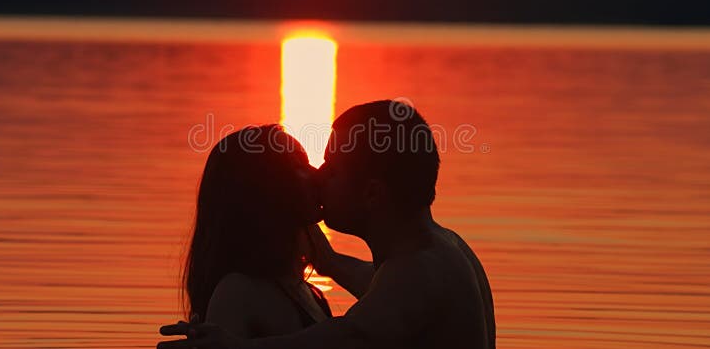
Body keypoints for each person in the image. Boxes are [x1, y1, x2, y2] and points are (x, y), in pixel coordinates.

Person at [159, 100, 496, 349]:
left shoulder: (418, 270)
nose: (319, 176)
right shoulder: (445, 248)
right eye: (304, 166)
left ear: (372, 194)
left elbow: (351, 336)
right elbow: (384, 291)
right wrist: (330, 262)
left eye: (331, 169)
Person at [177, 125, 332, 339]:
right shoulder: (237, 293)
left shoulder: (306, 291)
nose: (316, 174)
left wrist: (333, 263)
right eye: (299, 167)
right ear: (263, 188)